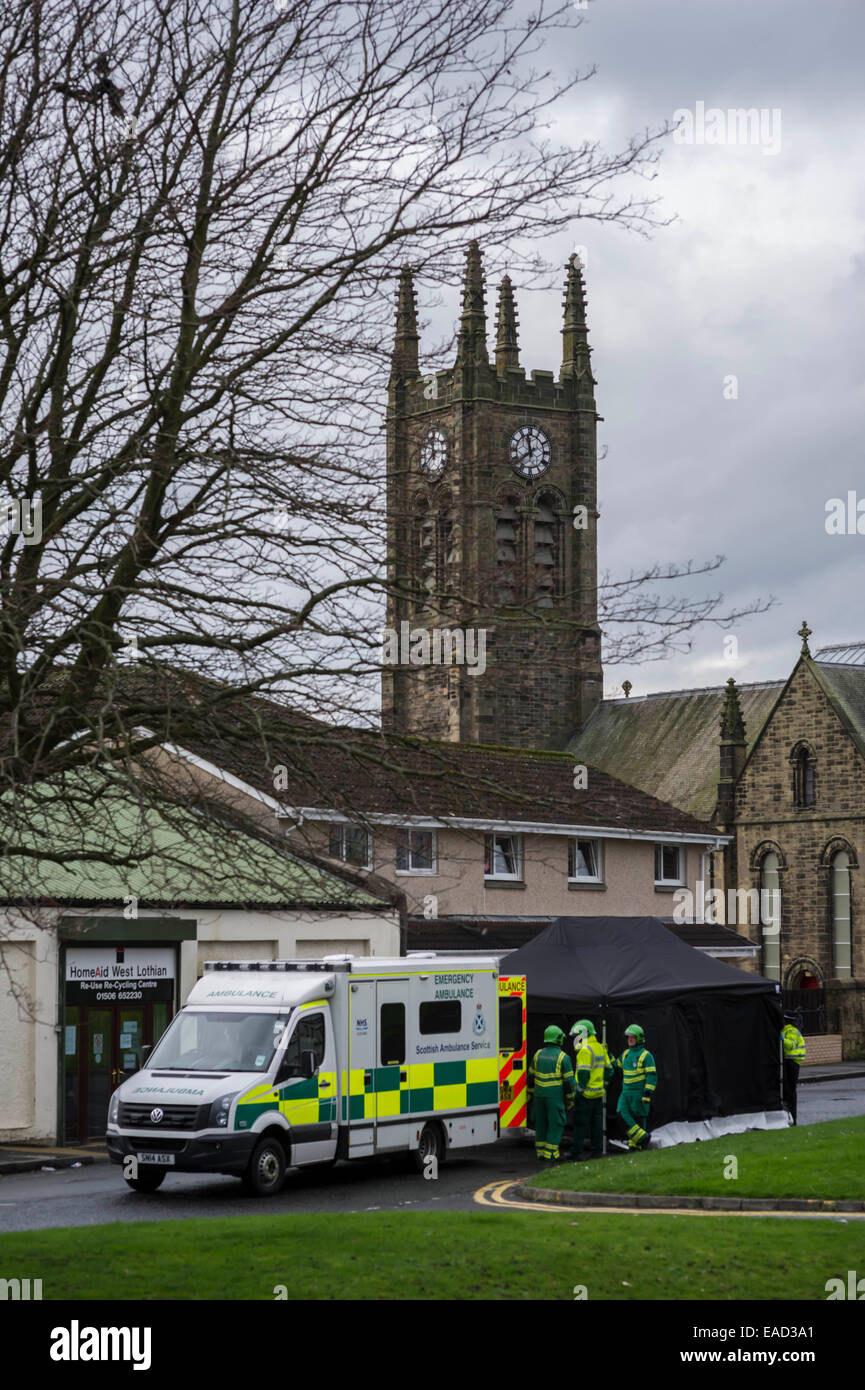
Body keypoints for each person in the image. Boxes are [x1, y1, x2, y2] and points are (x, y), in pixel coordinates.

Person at [528, 1025, 576, 1161]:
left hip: (538, 1097)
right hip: (554, 1098)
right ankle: (551, 1154)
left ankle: (541, 1153)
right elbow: (569, 1083)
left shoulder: (538, 1054)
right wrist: (570, 1100)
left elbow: (530, 1077)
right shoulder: (563, 1057)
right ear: (559, 1039)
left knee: (541, 1124)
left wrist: (530, 1095)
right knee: (556, 1124)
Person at [569, 1019, 614, 1161]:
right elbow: (609, 1070)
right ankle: (597, 1152)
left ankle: (576, 1153)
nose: (576, 1037)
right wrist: (603, 1084)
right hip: (598, 1094)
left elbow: (583, 1074)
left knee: (580, 1125)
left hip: (585, 1095)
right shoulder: (600, 1047)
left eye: (578, 1034)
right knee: (597, 1126)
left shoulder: (584, 1050)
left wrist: (579, 1091)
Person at [616, 1023, 657, 1150]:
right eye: (628, 1037)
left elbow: (652, 1075)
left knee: (639, 1117)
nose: (629, 1039)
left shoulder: (646, 1055)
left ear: (639, 1038)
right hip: (626, 1092)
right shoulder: (625, 1054)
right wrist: (606, 1055)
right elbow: (616, 1066)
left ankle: (637, 1144)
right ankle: (642, 1138)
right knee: (621, 1113)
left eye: (632, 1037)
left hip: (639, 1093)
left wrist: (647, 1093)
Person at [781, 1011, 806, 1124]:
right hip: (791, 1062)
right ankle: (790, 1117)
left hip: (791, 1062)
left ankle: (792, 1117)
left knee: (789, 1091)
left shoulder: (791, 1030)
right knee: (788, 1090)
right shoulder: (788, 1030)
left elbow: (790, 1045)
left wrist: (781, 1038)